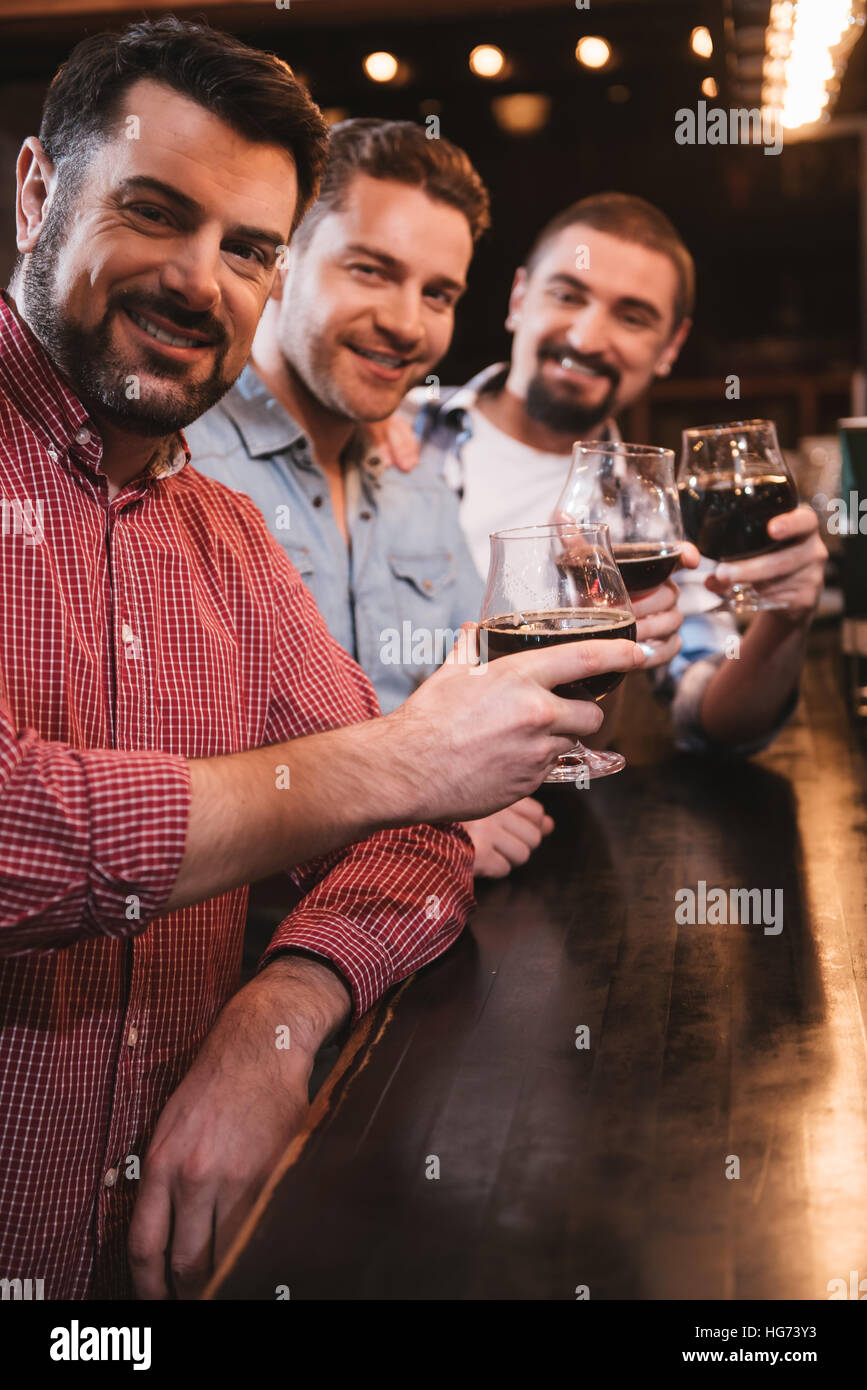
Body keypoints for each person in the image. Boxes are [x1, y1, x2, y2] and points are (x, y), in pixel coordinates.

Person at [0, 19, 642, 1301]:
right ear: (34, 195)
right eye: (153, 212)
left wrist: (274, 1019)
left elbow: (417, 832)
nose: (200, 280)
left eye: (246, 247)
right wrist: (405, 758)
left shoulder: (221, 532)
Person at [189, 123, 676, 878]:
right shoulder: (180, 460)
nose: (406, 324)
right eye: (371, 271)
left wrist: (587, 629)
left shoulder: (411, 467)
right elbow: (163, 797)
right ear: (281, 262)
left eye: (438, 293)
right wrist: (432, 828)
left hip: (416, 952)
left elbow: (470, 704)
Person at [389, 193, 829, 753]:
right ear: (520, 297)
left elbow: (713, 716)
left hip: (550, 818)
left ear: (670, 347)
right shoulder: (391, 427)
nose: (586, 338)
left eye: (632, 316)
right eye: (568, 295)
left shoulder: (655, 519)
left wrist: (787, 621)